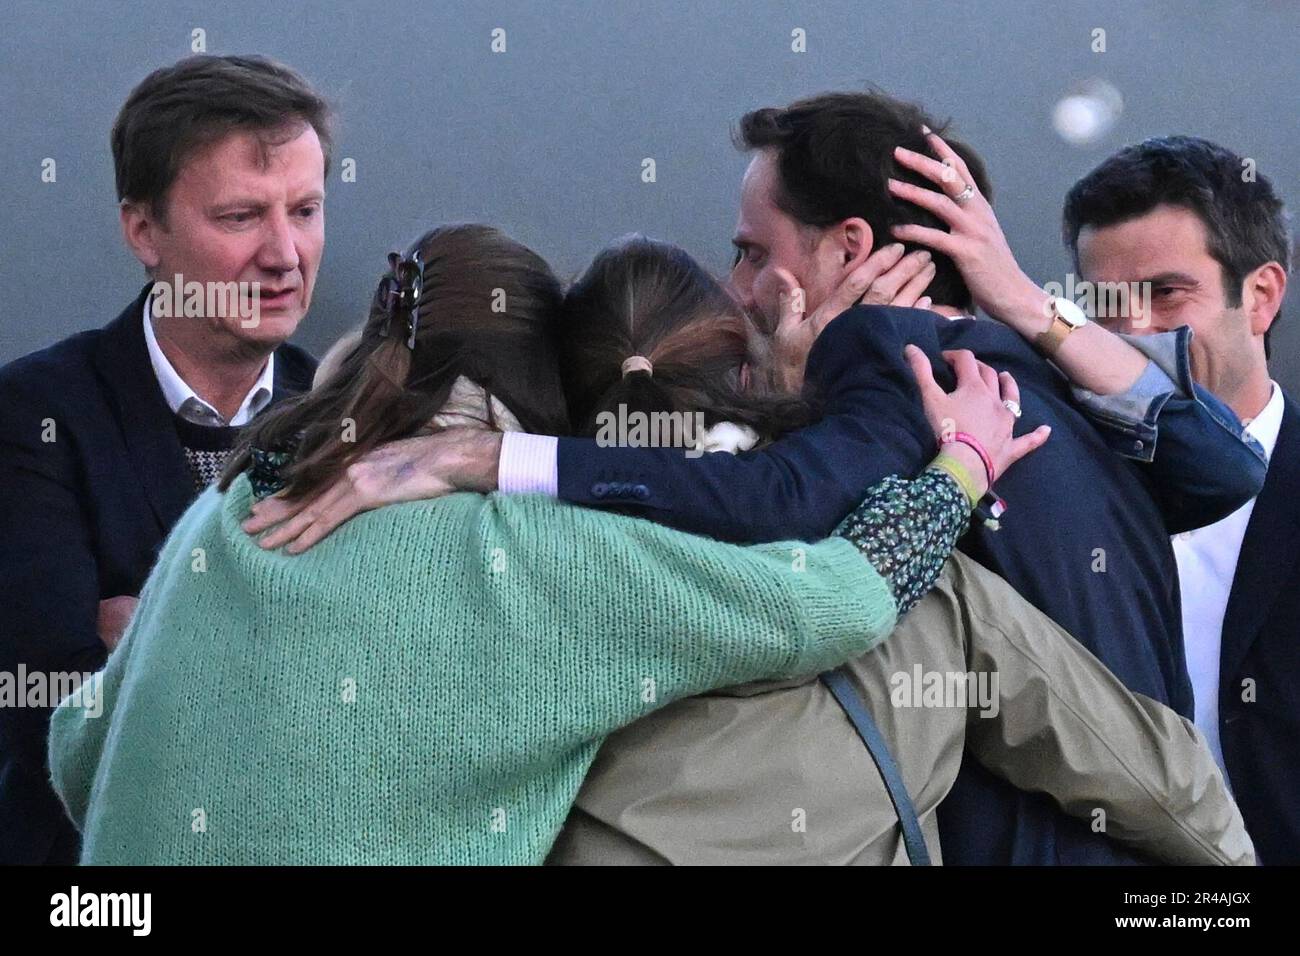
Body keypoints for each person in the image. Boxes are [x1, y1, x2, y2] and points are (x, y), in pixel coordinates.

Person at [246, 91, 1267, 865]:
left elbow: (778, 506)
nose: (736, 288)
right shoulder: (1037, 365)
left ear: (851, 247)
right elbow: (1226, 463)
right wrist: (1022, 305)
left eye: (750, 251)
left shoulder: (883, 350)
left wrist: (488, 457)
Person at [47, 223, 1037, 865]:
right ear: (539, 402)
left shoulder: (231, 506)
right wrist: (960, 469)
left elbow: (79, 751)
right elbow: (839, 599)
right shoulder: (534, 548)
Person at [0, 54, 326, 865]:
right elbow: (51, 716)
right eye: (242, 216)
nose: (286, 255)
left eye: (308, 209)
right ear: (142, 230)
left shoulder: (347, 422)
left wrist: (150, 627)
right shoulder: (32, 415)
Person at [1063, 135, 1298, 864]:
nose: (1134, 329)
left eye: (1166, 292)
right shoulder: (1056, 499)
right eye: (1105, 303)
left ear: (1260, 296)